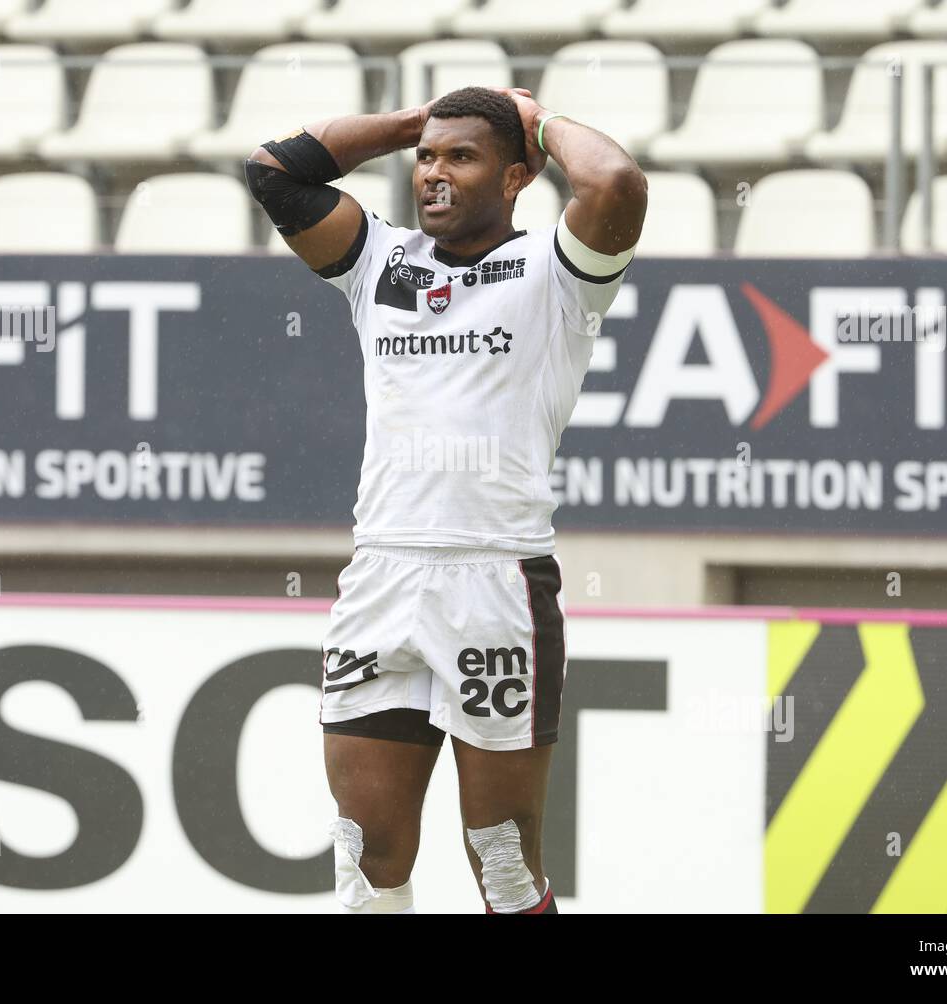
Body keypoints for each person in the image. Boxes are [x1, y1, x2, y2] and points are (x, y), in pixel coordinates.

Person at [244, 85, 647, 914]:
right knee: (368, 858)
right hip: (382, 579)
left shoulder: (557, 272)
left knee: (501, 861)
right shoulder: (378, 262)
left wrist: (532, 119)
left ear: (514, 179)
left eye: (461, 157)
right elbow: (274, 172)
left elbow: (615, 184)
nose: (433, 172)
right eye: (426, 158)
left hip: (496, 583)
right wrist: (411, 121)